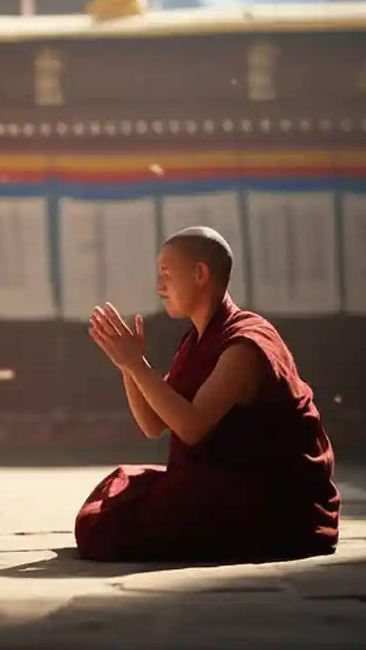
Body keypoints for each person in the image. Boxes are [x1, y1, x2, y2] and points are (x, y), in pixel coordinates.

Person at [77, 226, 340, 563]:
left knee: (105, 525)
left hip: (272, 500)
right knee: (119, 491)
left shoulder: (245, 344)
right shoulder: (196, 339)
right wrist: (129, 365)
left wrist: (136, 365)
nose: (159, 287)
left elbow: (191, 428)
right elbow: (153, 424)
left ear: (200, 274)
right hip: (224, 482)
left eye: (167, 275)